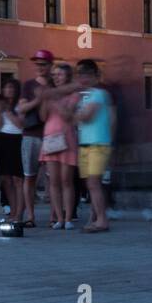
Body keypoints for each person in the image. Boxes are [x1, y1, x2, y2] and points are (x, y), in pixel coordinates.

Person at [73, 60, 114, 233]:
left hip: (98, 143)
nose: (83, 78)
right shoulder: (84, 95)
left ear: (94, 76)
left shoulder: (99, 93)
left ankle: (102, 220)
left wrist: (71, 111)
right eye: (80, 74)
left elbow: (86, 116)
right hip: (85, 143)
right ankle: (95, 218)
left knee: (94, 183)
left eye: (86, 74)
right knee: (91, 185)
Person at [16, 49, 55, 227]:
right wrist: (38, 100)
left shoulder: (56, 84)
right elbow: (22, 108)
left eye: (43, 64)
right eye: (37, 64)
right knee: (29, 177)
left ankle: (54, 216)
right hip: (31, 134)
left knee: (52, 179)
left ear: (50, 65)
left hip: (51, 135)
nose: (39, 67)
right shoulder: (29, 85)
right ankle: (30, 216)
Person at [40, 63, 80, 230]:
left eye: (60, 75)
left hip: (66, 138)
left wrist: (54, 98)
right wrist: (45, 101)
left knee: (66, 181)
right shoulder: (49, 96)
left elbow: (66, 115)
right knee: (54, 182)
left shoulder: (74, 95)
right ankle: (59, 218)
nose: (56, 77)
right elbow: (43, 117)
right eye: (54, 75)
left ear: (68, 77)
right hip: (50, 139)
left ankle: (69, 217)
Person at [0, 79, 25, 224]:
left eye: (11, 87)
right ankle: (12, 211)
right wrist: (0, 113)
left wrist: (8, 111)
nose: (9, 90)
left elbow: (21, 124)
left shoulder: (21, 103)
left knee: (18, 179)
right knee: (6, 179)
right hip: (3, 139)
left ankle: (19, 213)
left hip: (17, 139)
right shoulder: (2, 105)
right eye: (6, 87)